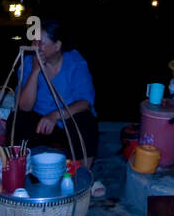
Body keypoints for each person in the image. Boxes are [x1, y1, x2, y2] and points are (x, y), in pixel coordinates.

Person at [10, 20, 104, 194]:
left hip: (66, 118)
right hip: (40, 122)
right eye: (34, 42)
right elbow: (24, 106)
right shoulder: (29, 63)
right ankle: (26, 174)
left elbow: (85, 101)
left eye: (41, 43)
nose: (35, 46)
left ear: (57, 46)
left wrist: (55, 116)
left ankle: (84, 175)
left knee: (87, 122)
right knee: (17, 121)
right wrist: (35, 71)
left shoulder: (75, 63)